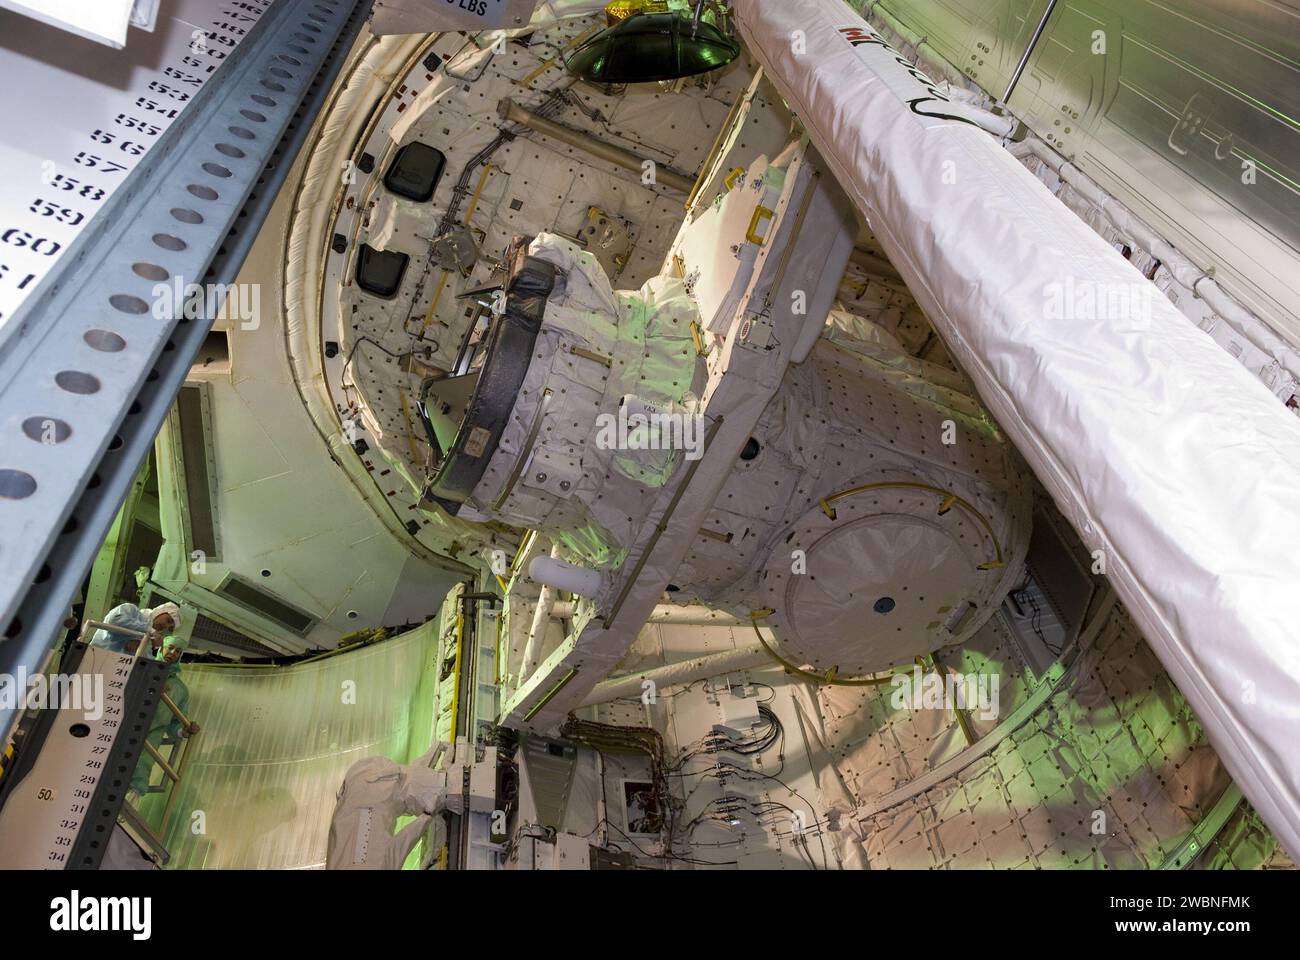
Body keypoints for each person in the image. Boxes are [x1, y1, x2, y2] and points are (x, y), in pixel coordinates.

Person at [326, 742, 463, 870]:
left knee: (437, 786)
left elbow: (401, 844)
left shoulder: (377, 862)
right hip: (366, 780)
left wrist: (426, 816)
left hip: (374, 782)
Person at [128, 635, 200, 800]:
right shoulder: (141, 667)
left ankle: (130, 801)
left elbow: (175, 724)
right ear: (161, 648)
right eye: (171, 648)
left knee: (140, 769)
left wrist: (184, 731)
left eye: (178, 652)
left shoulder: (180, 690)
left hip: (150, 736)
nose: (173, 653)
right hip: (124, 727)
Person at [90, 602, 182, 657]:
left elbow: (145, 662)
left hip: (112, 672)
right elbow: (114, 620)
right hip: (94, 656)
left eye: (169, 627)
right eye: (168, 620)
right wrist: (150, 631)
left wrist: (142, 645)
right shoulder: (131, 609)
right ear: (161, 612)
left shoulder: (147, 641)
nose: (165, 626)